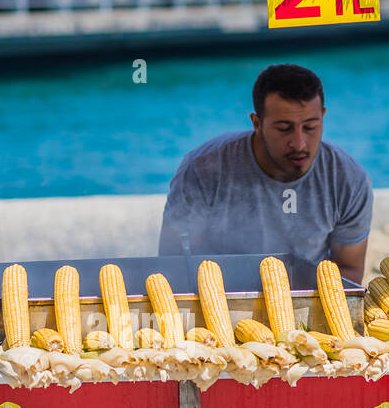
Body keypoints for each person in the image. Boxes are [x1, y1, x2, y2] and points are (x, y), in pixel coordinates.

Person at [158, 64, 371, 283]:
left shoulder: (348, 179)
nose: (299, 143)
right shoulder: (203, 169)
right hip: (218, 297)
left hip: (304, 304)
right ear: (257, 123)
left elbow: (348, 269)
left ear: (323, 117)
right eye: (284, 128)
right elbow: (170, 264)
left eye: (310, 127)